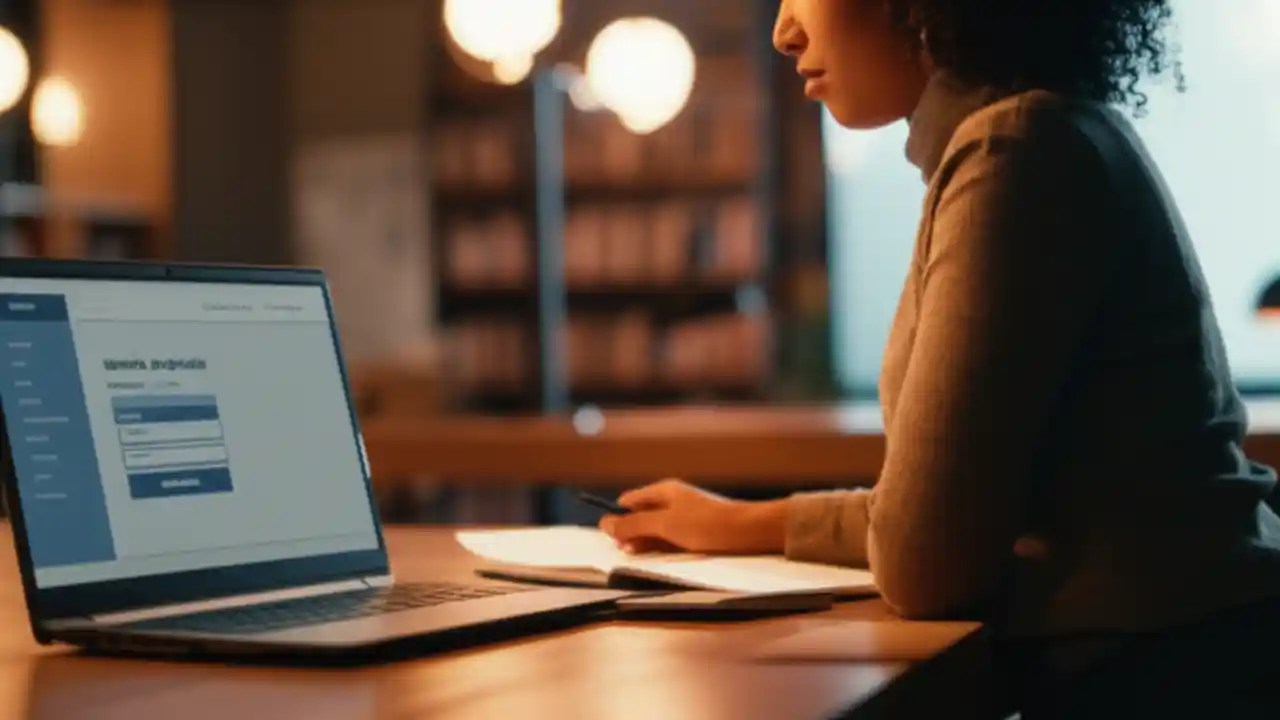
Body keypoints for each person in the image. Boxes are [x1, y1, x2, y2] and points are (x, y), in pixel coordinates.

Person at [599, 1, 1280, 716]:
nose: (782, 30)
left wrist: (755, 526)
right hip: (1183, 650)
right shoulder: (1036, 131)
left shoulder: (1014, 150)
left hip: (1170, 676)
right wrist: (736, 524)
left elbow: (926, 563)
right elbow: (937, 517)